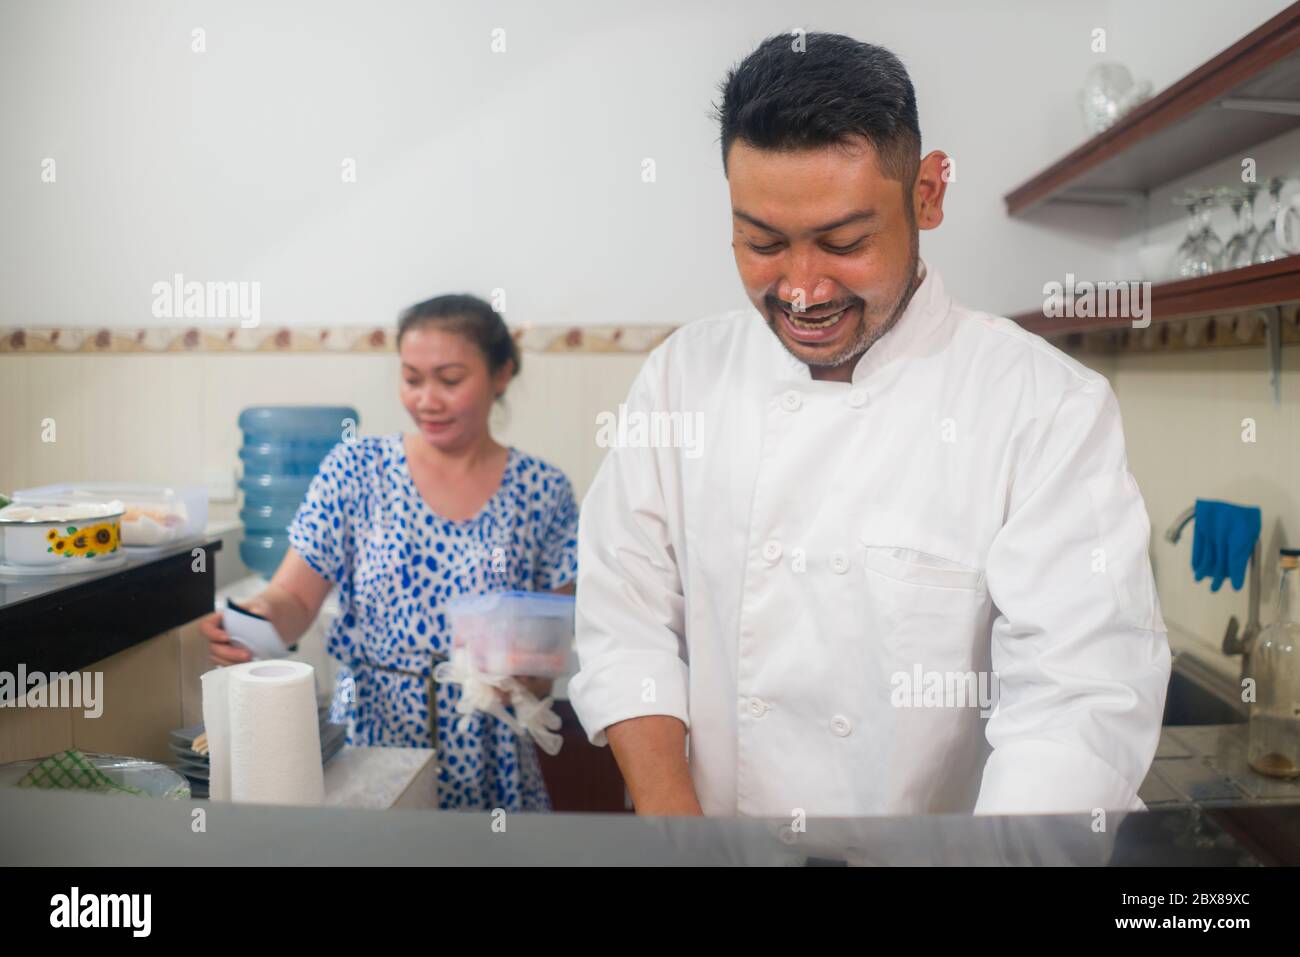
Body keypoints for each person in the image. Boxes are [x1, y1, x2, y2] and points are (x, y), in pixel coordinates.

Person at [567, 33, 1170, 817]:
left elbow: (1078, 699)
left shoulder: (1044, 405)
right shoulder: (683, 376)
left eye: (845, 242)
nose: (803, 289)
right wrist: (675, 826)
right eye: (762, 243)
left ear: (926, 195)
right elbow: (624, 616)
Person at [201, 294, 578, 810]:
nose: (426, 400)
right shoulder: (356, 469)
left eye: (449, 380)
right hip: (375, 740)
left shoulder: (543, 490)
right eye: (412, 378)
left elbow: (548, 645)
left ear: (501, 374)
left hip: (492, 751)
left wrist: (523, 671)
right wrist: (252, 622)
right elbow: (292, 597)